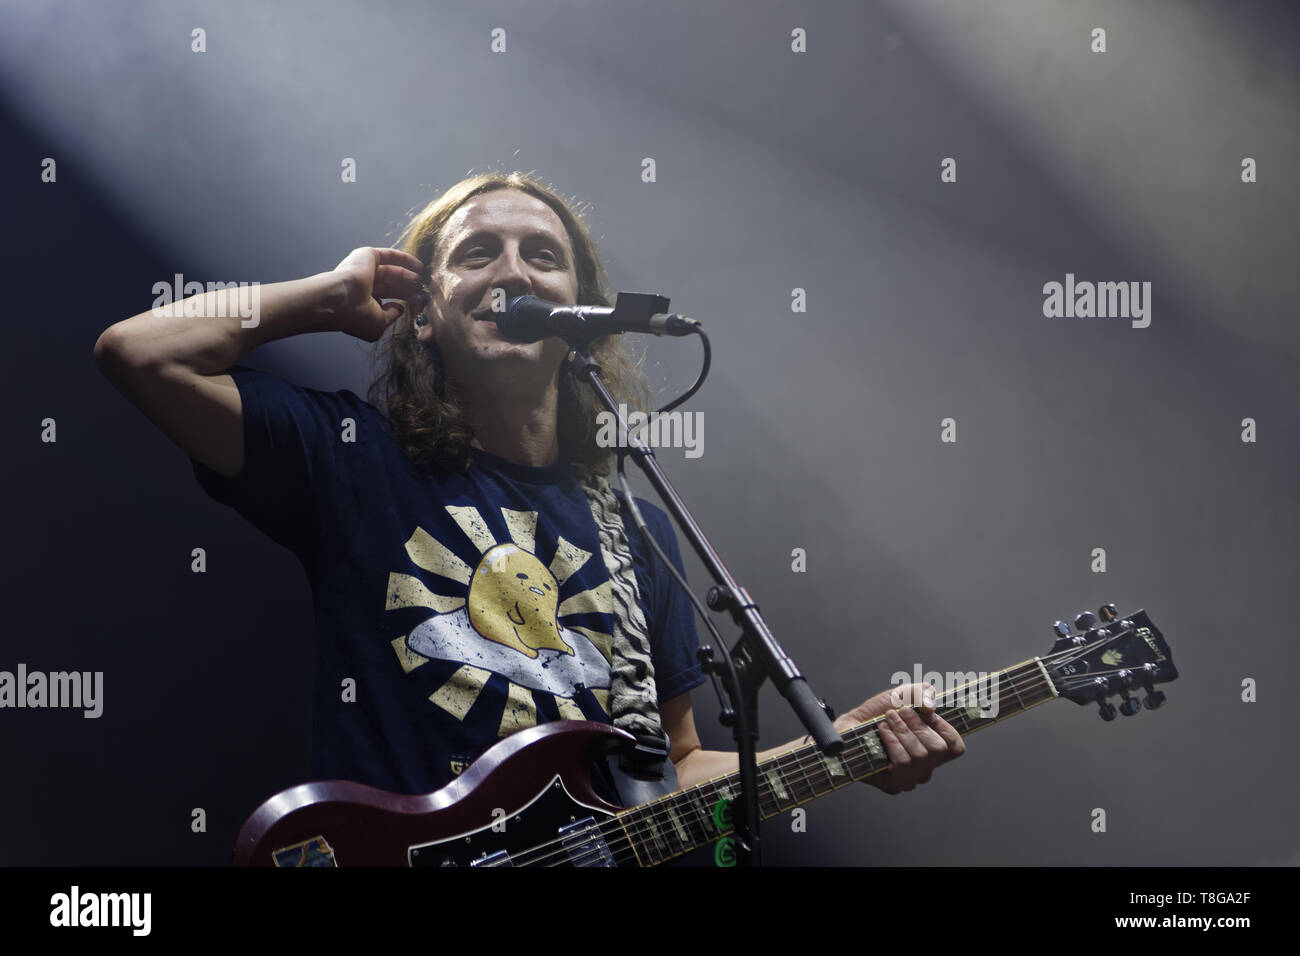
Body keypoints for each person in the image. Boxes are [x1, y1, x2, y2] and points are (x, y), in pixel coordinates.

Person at [93, 170, 964, 814]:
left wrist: (841, 751)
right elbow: (139, 353)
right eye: (478, 254)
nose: (514, 272)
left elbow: (675, 764)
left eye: (542, 256)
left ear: (580, 306)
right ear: (424, 310)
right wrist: (325, 297)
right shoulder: (349, 454)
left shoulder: (635, 530)